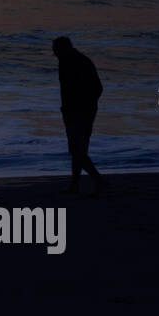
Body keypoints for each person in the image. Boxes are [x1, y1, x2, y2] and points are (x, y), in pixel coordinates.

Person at [52, 36, 105, 196]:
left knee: (76, 150)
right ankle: (75, 185)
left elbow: (97, 88)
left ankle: (98, 180)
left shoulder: (77, 62)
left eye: (56, 50)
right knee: (79, 151)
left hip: (80, 112)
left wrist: (82, 105)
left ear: (63, 49)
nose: (54, 54)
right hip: (76, 111)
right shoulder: (69, 61)